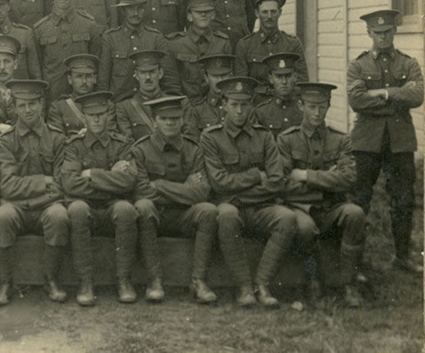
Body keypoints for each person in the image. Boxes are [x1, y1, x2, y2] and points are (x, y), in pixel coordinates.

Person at [200, 76, 297, 308]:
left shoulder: (264, 136)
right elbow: (218, 182)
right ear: (224, 105)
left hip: (257, 207)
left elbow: (276, 181)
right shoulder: (211, 138)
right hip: (231, 208)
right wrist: (255, 176)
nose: (240, 111)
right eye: (234, 104)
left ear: (252, 105)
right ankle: (244, 287)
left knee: (287, 218)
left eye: (245, 104)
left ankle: (262, 284)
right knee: (226, 214)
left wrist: (239, 193)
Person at [347, 9, 424, 273]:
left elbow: (418, 95)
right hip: (366, 142)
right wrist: (396, 100)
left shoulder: (408, 63)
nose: (382, 37)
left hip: (400, 141)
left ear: (394, 32)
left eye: (387, 32)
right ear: (369, 33)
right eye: (377, 33)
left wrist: (384, 93)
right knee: (360, 199)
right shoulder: (358, 65)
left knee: (402, 199)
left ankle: (402, 257)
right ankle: (355, 260)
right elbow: (356, 100)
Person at [277, 82, 365, 308]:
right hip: (300, 208)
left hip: (332, 208)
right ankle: (312, 282)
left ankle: (348, 284)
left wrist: (305, 175)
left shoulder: (340, 140)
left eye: (322, 107)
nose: (317, 113)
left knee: (354, 213)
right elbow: (282, 184)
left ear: (328, 106)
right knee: (305, 229)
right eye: (311, 106)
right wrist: (328, 179)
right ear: (301, 106)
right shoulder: (287, 140)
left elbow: (348, 178)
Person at [132, 95, 218, 304]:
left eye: (175, 118)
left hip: (184, 216)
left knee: (207, 210)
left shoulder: (193, 149)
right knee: (143, 206)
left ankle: (199, 281)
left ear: (182, 120)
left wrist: (159, 185)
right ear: (154, 121)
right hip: (155, 216)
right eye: (164, 118)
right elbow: (142, 192)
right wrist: (184, 189)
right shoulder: (141, 149)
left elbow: (201, 193)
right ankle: (154, 281)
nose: (170, 123)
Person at [0, 79, 69, 306]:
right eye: (22, 105)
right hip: (16, 207)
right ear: (14, 107)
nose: (28, 110)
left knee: (59, 216)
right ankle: (4, 282)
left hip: (47, 206)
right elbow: (6, 185)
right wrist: (43, 181)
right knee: (3, 216)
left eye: (33, 104)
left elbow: (61, 184)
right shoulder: (6, 140)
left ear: (42, 104)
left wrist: (35, 190)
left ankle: (50, 279)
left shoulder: (56, 137)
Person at [61, 91, 138, 305]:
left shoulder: (122, 144)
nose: (96, 119)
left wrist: (91, 174)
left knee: (126, 210)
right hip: (85, 207)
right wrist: (110, 177)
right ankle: (85, 282)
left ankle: (124, 280)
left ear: (108, 115)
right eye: (91, 114)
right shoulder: (74, 145)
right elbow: (70, 183)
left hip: (114, 206)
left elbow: (129, 181)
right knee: (76, 209)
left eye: (101, 114)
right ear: (84, 116)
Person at [99, 0, 180, 100]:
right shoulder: (110, 38)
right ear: (123, 11)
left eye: (139, 8)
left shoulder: (156, 38)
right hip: (119, 105)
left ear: (144, 9)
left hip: (151, 105)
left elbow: (171, 81)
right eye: (130, 9)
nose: (135, 13)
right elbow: (103, 82)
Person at [33, 0, 102, 100]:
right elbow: (38, 66)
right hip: (53, 94)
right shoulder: (41, 29)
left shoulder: (89, 24)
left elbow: (96, 62)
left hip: (83, 95)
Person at [234, 0, 307, 96]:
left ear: (280, 12)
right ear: (257, 14)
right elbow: (242, 85)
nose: (269, 16)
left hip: (286, 103)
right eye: (264, 12)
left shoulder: (292, 44)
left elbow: (301, 83)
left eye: (273, 12)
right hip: (256, 105)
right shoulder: (245, 45)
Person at [166, 0, 231, 104]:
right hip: (187, 106)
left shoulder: (222, 42)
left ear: (213, 15)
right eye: (198, 12)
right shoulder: (175, 44)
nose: (203, 15)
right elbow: (172, 85)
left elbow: (229, 80)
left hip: (216, 106)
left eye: (207, 11)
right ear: (189, 16)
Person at [115, 50, 195, 141]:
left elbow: (190, 140)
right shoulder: (125, 108)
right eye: (143, 73)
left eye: (152, 72)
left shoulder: (181, 103)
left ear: (160, 73)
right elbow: (128, 143)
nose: (148, 77)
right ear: (136, 75)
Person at [48, 54, 114, 136]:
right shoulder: (58, 107)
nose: (84, 81)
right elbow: (56, 141)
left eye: (88, 76)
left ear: (95, 78)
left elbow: (112, 136)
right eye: (79, 77)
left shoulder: (107, 105)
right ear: (70, 79)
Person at [254, 53, 303, 137]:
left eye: (288, 76)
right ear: (271, 79)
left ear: (295, 77)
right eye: (278, 77)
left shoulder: (303, 109)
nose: (284, 82)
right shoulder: (261, 112)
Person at [187, 54, 235, 137]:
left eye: (224, 75)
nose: (220, 80)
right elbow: (192, 143)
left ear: (230, 76)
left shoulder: (242, 107)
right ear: (206, 78)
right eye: (215, 76)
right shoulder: (197, 111)